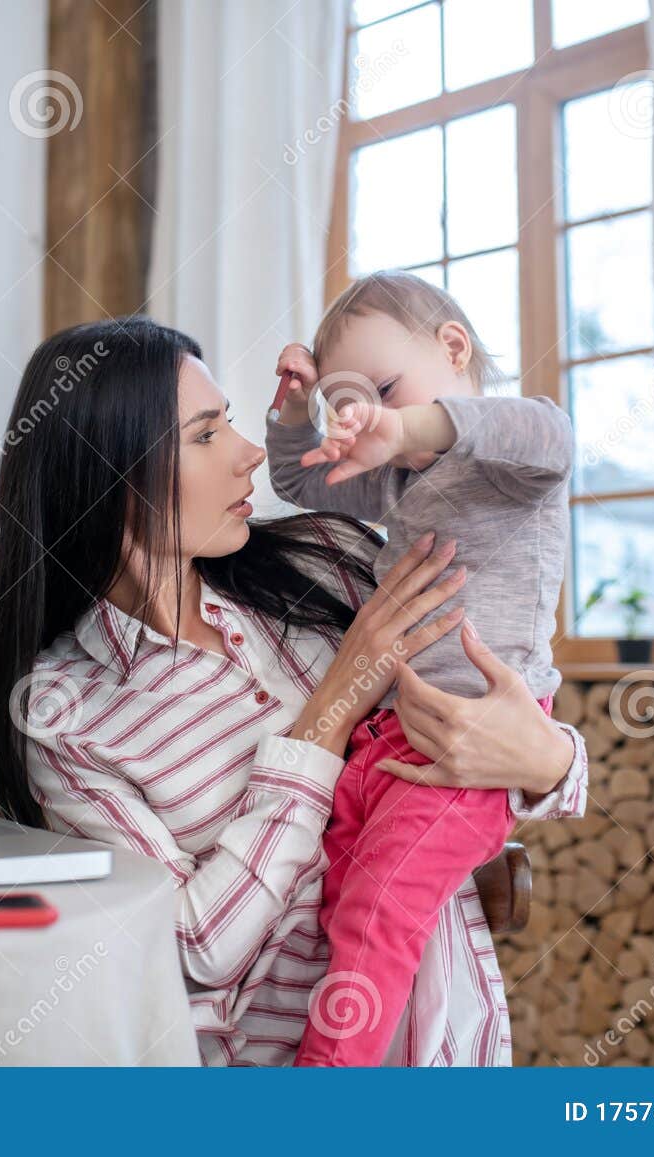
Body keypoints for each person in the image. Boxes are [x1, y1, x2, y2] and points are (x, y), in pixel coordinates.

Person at [0, 314, 587, 1066]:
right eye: (205, 435)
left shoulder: (331, 559)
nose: (250, 452)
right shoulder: (66, 716)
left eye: (231, 421)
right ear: (114, 476)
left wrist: (550, 762)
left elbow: (506, 710)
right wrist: (331, 709)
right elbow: (194, 948)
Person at [268, 269, 573, 1066]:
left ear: (454, 347)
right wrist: (298, 410)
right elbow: (302, 479)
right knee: (337, 898)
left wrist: (407, 429)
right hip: (389, 738)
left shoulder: (508, 462)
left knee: (379, 907)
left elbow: (552, 433)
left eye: (386, 387)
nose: (372, 414)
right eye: (354, 402)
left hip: (474, 741)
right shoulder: (404, 477)